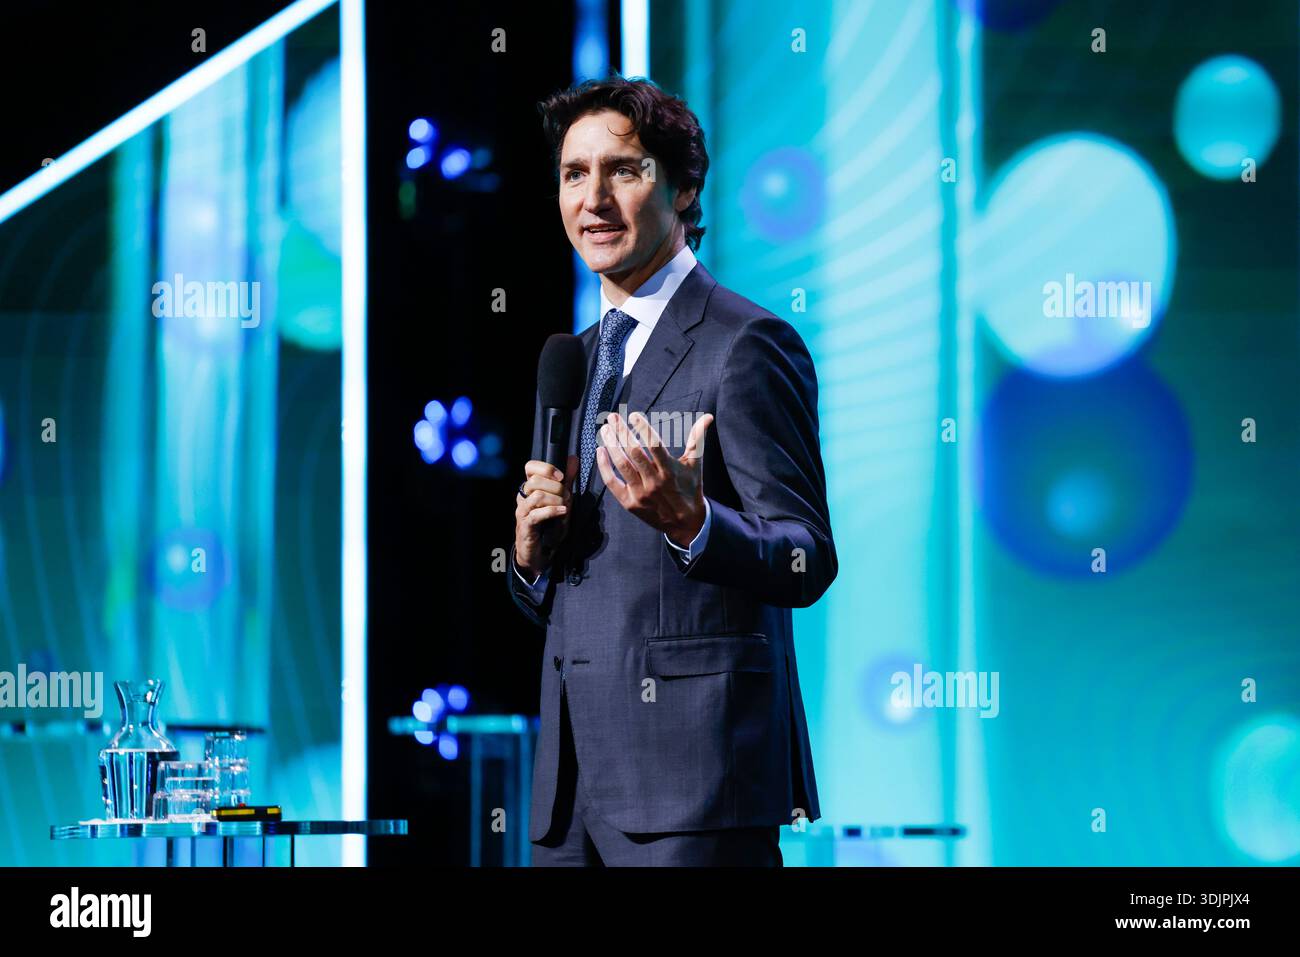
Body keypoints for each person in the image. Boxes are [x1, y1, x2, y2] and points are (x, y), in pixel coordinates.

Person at [509, 75, 836, 866]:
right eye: (573, 173)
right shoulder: (574, 360)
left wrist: (694, 522)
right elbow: (579, 595)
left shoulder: (747, 342)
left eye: (624, 170)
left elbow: (807, 556)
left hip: (696, 790)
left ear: (685, 185)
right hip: (569, 797)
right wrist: (529, 558)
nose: (594, 199)